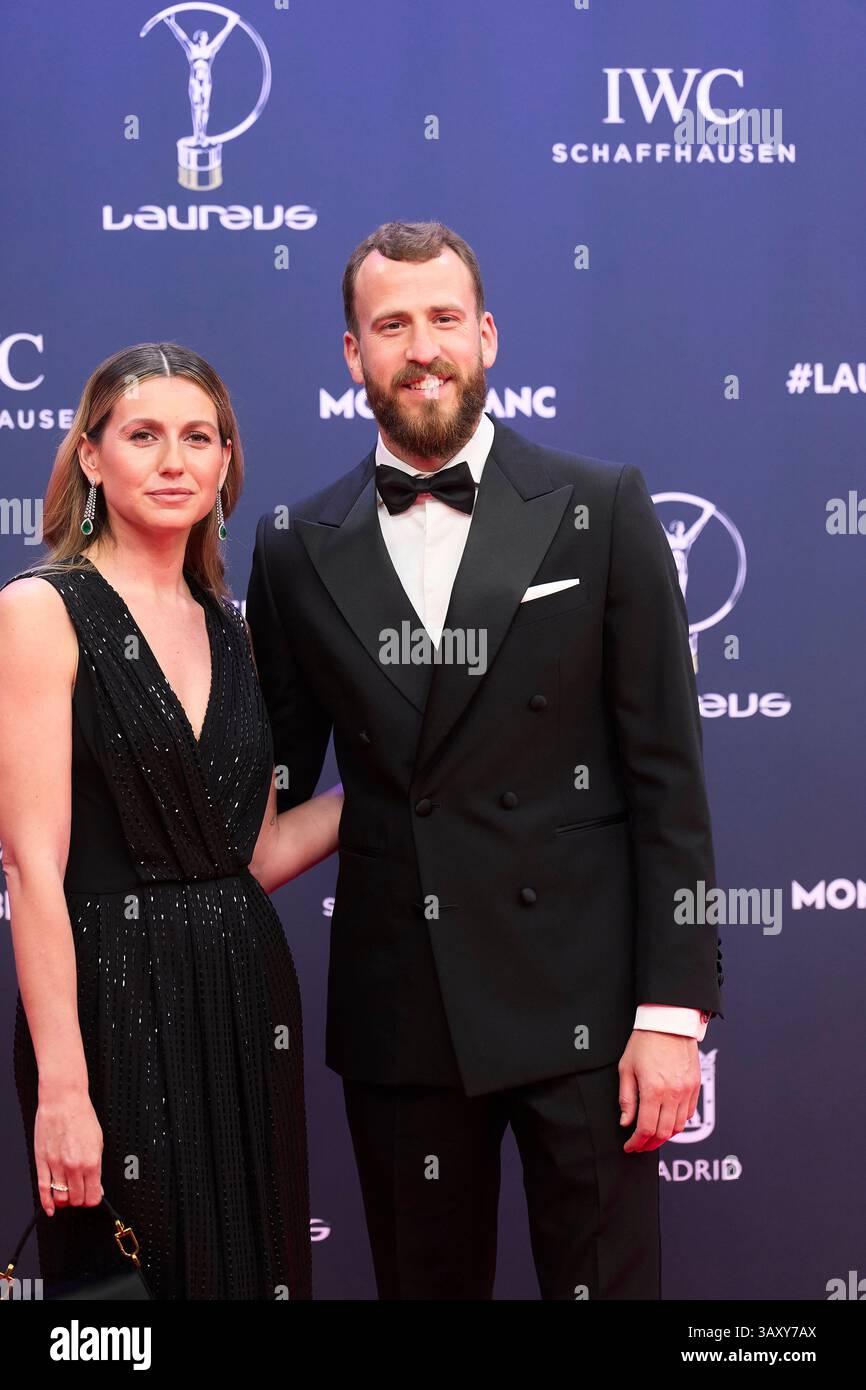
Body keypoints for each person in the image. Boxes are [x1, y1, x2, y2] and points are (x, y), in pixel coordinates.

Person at [245, 220, 724, 1301]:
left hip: (589, 1016)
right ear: (351, 354)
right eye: (391, 324)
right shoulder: (291, 542)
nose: (421, 347)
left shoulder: (598, 507)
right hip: (403, 1014)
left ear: (487, 336)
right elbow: (269, 785)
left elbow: (667, 779)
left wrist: (668, 1014)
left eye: (443, 319)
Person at [0, 342, 342, 1300]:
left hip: (241, 1000)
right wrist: (65, 1087)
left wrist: (401, 782)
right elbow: (31, 866)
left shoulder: (229, 627)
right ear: (92, 458)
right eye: (143, 435)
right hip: (112, 1011)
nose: (174, 460)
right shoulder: (40, 611)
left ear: (227, 463)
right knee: (132, 1298)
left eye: (199, 437)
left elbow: (257, 854)